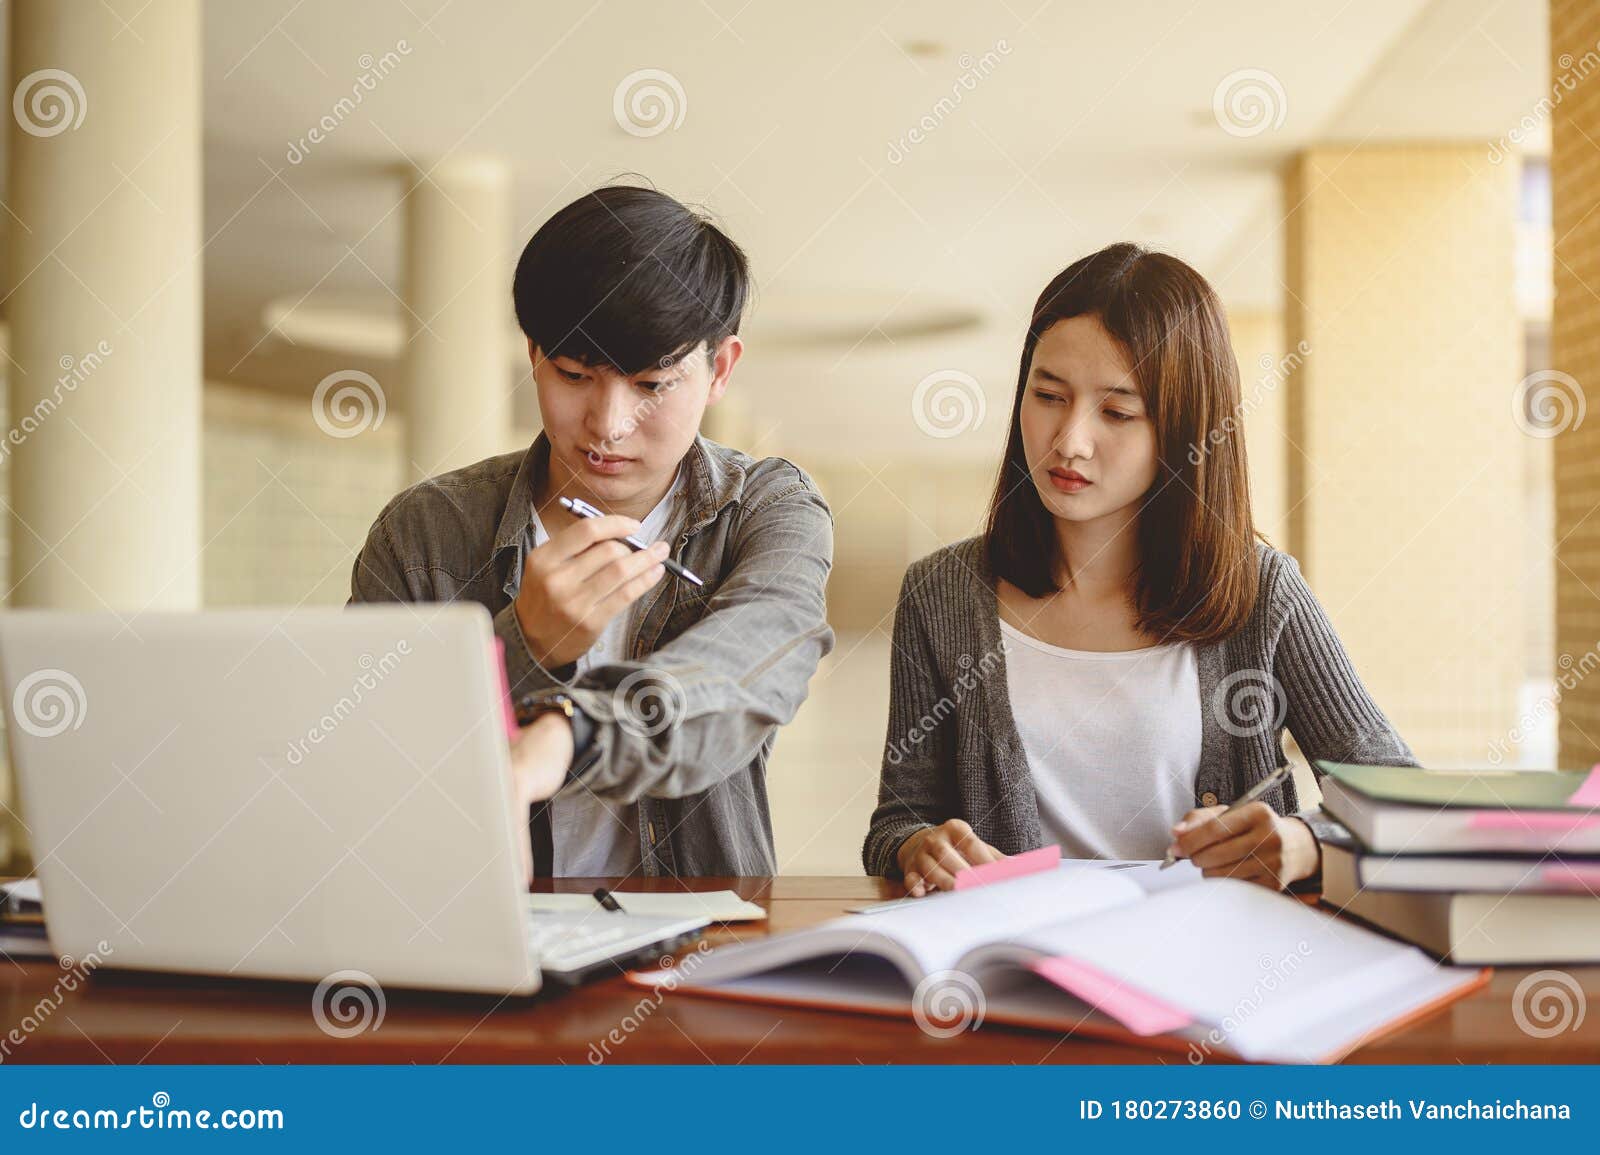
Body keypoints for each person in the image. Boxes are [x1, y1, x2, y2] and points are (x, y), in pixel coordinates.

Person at [864, 242, 1416, 896]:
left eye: (1118, 412)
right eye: (1047, 395)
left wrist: (1305, 842)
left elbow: (1405, 804)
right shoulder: (942, 593)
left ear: (1185, 430)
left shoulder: (1262, 591)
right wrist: (918, 846)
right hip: (1017, 972)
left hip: (1218, 972)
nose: (1069, 439)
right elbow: (897, 819)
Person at [351, 185, 834, 879]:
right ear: (533, 353)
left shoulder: (766, 506)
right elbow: (374, 764)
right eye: (573, 374)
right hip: (471, 929)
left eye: (651, 385)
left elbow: (751, 672)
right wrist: (525, 647)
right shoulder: (424, 531)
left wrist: (564, 736)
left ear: (720, 368)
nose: (606, 425)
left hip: (700, 942)